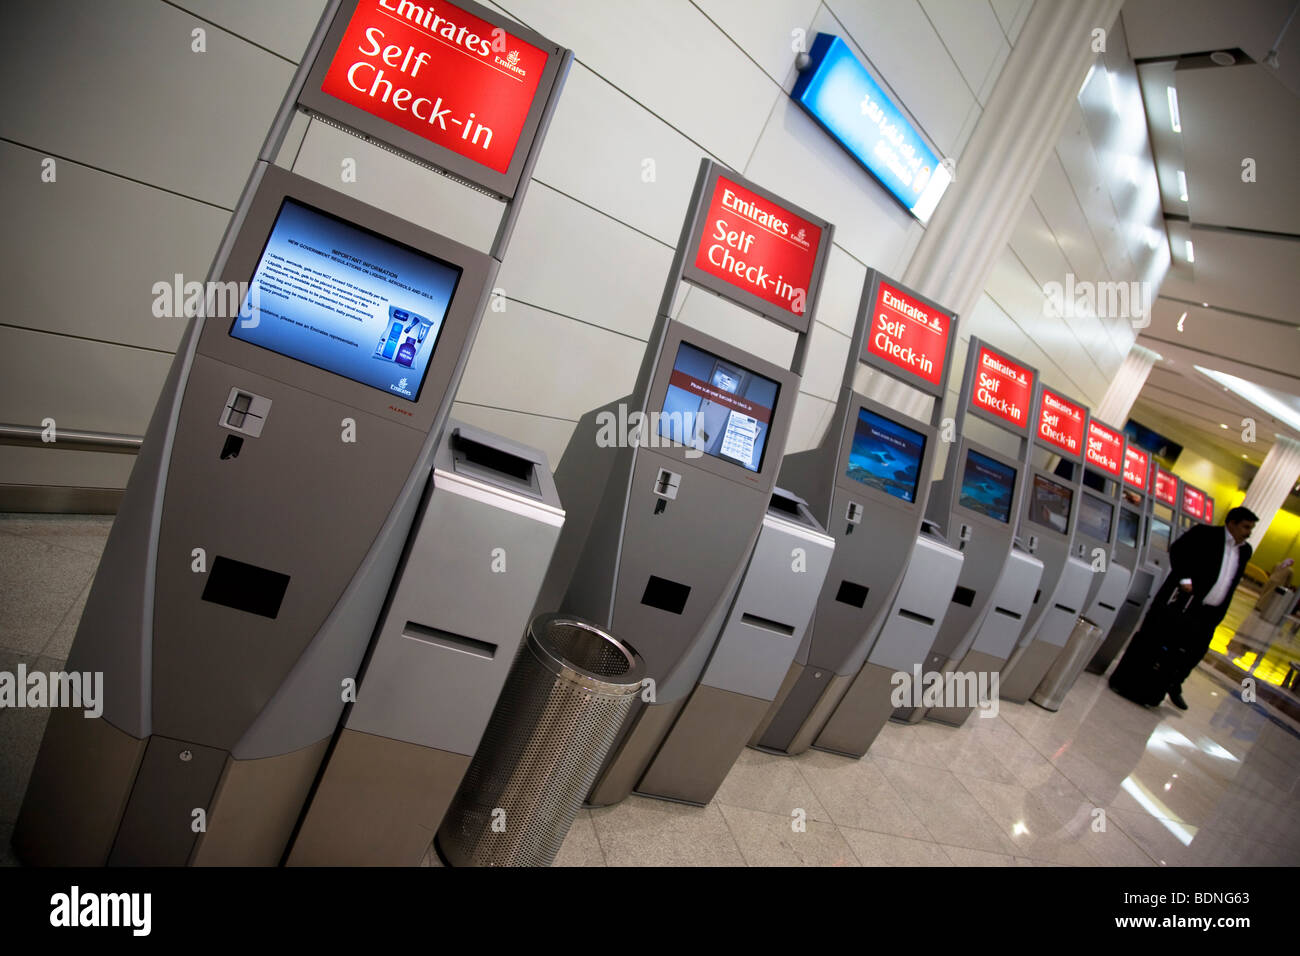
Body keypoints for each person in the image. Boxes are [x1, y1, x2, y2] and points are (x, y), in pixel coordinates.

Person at [1110, 506, 1258, 710]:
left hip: (1207, 614)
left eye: (1251, 528)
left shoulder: (1244, 551)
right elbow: (1178, 551)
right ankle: (1127, 685)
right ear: (1231, 523)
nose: (1248, 532)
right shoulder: (1205, 534)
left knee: (1185, 653)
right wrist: (1185, 579)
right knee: (1153, 643)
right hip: (1180, 603)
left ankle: (1159, 691)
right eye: (1245, 527)